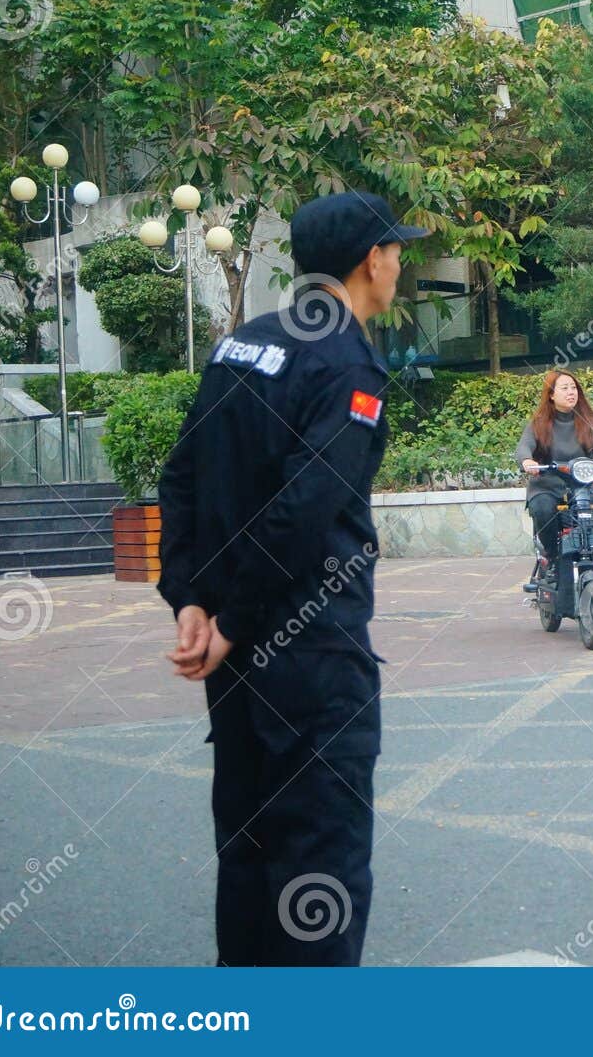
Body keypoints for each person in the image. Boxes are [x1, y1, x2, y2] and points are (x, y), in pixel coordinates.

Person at [157, 190, 427, 966]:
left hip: (235, 667)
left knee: (247, 855)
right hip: (309, 658)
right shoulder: (346, 361)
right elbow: (305, 511)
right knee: (320, 868)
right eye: (396, 251)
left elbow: (180, 480)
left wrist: (195, 602)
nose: (400, 264)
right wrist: (233, 614)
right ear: (370, 261)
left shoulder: (243, 344)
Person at [517, 370, 593, 588]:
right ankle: (550, 558)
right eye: (564, 388)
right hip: (547, 487)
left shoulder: (587, 420)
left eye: (574, 388)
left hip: (580, 489)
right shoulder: (539, 422)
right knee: (543, 511)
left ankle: (586, 552)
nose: (571, 392)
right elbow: (524, 447)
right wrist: (527, 461)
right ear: (551, 394)